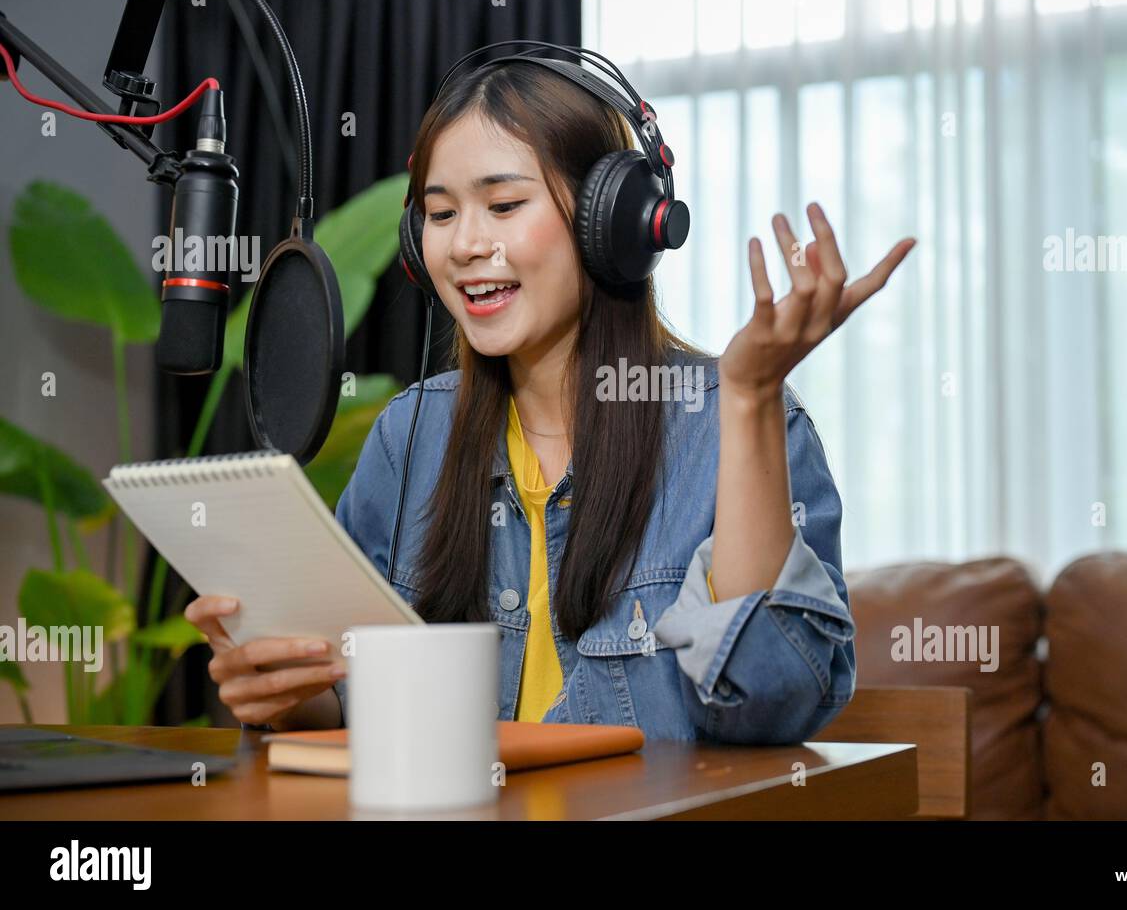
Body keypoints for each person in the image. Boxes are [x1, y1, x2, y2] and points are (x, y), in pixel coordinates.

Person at [185, 59, 915, 743]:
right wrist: (286, 692)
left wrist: (751, 398)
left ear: (616, 223)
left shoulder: (739, 423)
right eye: (440, 215)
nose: (467, 244)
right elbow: (354, 702)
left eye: (504, 204)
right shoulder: (409, 437)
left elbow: (769, 702)